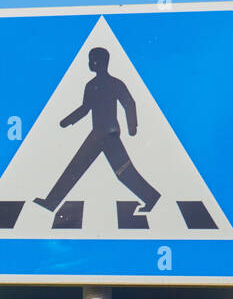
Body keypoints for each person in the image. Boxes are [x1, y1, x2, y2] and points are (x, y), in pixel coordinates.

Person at [34, 47, 161, 214]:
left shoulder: (115, 83)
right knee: (78, 168)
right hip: (99, 133)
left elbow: (129, 103)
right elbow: (85, 108)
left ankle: (151, 197)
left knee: (122, 172)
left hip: (109, 135)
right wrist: (66, 121)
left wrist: (132, 127)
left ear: (99, 62)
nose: (89, 63)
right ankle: (51, 202)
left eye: (91, 60)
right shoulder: (91, 85)